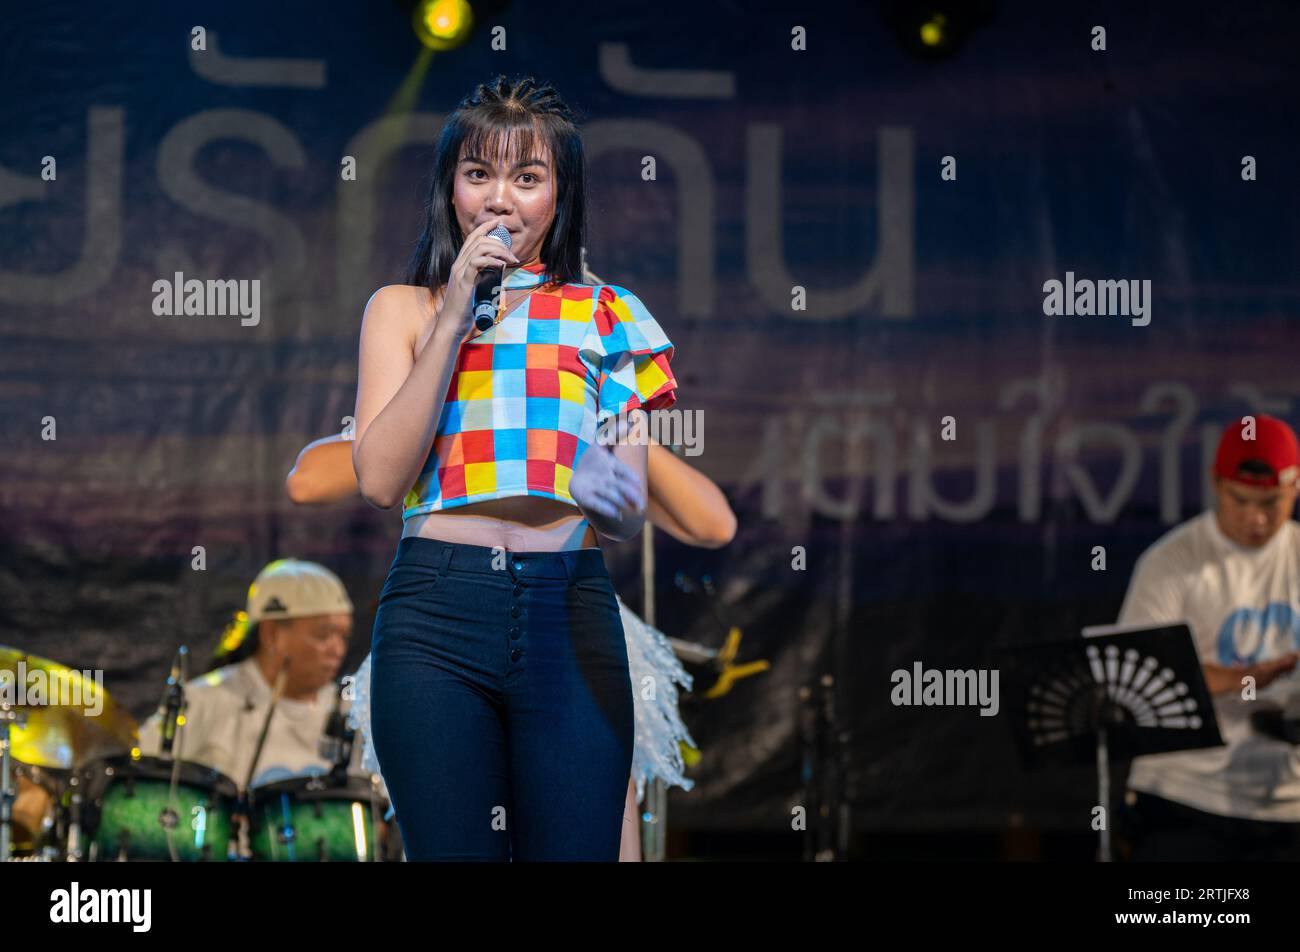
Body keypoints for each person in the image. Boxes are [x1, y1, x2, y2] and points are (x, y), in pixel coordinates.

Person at [350, 74, 681, 860]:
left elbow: (627, 514)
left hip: (568, 608)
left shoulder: (608, 312)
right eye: (479, 174)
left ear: (558, 198)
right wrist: (458, 312)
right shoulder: (405, 308)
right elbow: (378, 479)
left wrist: (611, 493)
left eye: (527, 178)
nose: (501, 198)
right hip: (437, 610)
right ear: (451, 189)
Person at [288, 432, 736, 860]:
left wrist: (603, 414)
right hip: (447, 621)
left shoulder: (582, 402)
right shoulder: (447, 394)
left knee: (596, 827)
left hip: (567, 624)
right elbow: (308, 481)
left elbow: (713, 523)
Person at [1116, 414, 1300, 860]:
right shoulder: (1170, 561)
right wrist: (1248, 677)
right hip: (1186, 792)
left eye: (1271, 502)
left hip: (1288, 800)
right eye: (1241, 500)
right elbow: (1134, 676)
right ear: (1215, 484)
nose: (1255, 518)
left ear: (1295, 490)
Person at [138, 559, 361, 790]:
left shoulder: (354, 712)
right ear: (272, 633)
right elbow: (142, 771)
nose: (337, 649)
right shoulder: (205, 700)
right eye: (323, 635)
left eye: (343, 636)